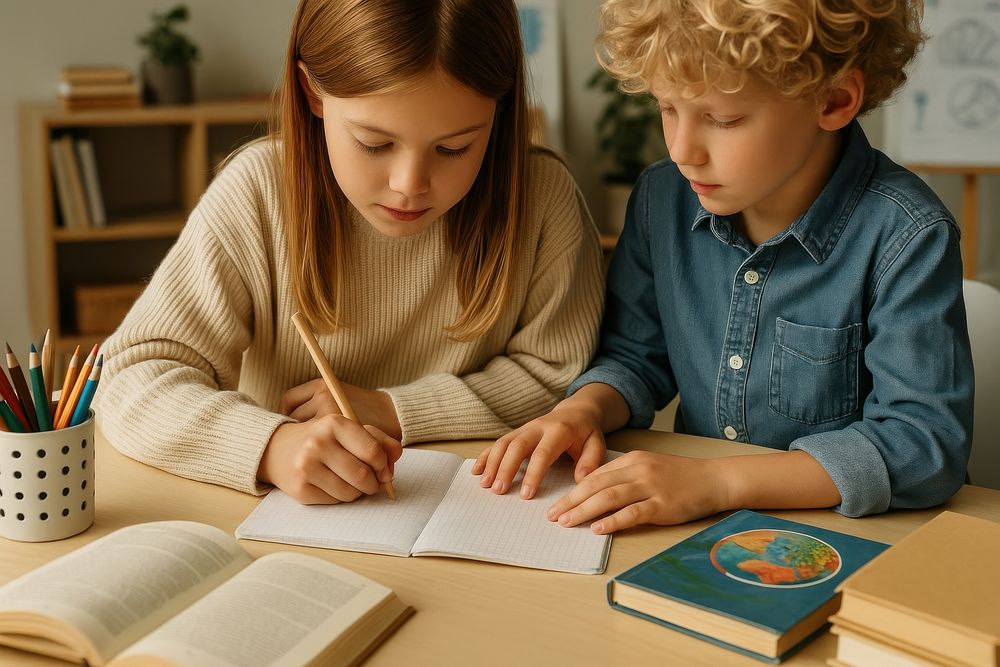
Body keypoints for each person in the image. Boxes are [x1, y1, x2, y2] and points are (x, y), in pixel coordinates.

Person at [474, 0, 974, 533]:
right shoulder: (660, 198)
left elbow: (923, 445)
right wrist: (583, 411)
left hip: (847, 534)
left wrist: (718, 483)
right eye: (666, 108)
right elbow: (635, 356)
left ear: (833, 100)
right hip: (693, 525)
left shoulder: (908, 234)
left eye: (722, 118)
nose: (682, 149)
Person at [95, 0, 604, 505]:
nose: (409, 186)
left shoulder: (542, 198)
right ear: (311, 91)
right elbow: (132, 379)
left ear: (499, 107)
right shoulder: (259, 192)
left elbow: (558, 376)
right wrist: (270, 445)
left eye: (453, 149)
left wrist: (393, 409)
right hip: (282, 519)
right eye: (373, 143)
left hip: (476, 508)